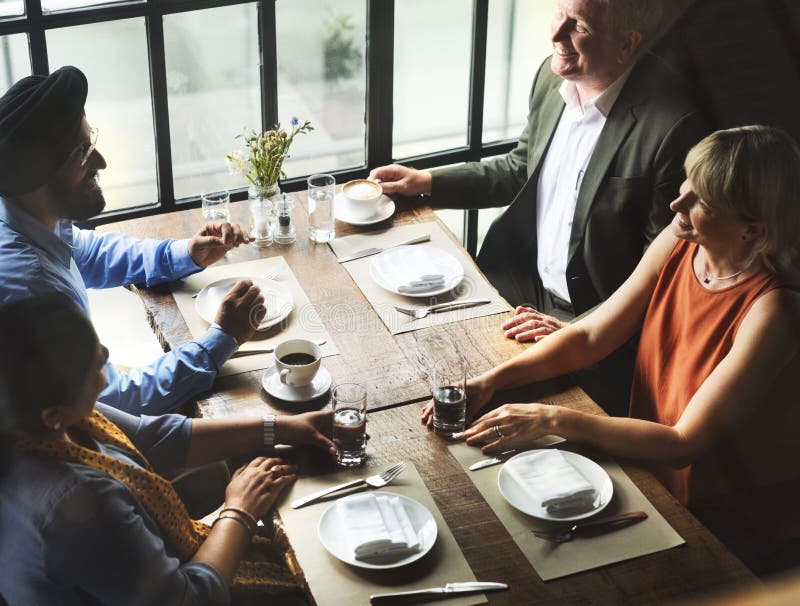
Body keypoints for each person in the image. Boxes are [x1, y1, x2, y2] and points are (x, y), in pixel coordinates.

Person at [437, 126, 800, 576]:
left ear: (752, 229)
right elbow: (593, 335)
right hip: (648, 460)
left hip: (730, 513)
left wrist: (550, 417)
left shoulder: (775, 310)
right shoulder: (681, 239)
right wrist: (491, 380)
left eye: (700, 200)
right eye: (686, 184)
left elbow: (684, 444)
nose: (676, 204)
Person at [371, 0, 709, 415]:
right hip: (516, 284)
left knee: (491, 426)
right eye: (559, 14)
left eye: (578, 25)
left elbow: (663, 270)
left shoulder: (674, 125)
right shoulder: (553, 78)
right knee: (406, 359)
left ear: (627, 42)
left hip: (591, 324)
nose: (556, 34)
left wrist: (576, 330)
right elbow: (521, 168)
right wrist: (427, 182)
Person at [0, 293, 336, 604]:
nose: (104, 354)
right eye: (93, 368)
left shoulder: (36, 416)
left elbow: (155, 437)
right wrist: (240, 511)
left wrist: (278, 428)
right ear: (54, 415)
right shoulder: (74, 507)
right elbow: (189, 599)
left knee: (219, 474)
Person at [0, 65, 263, 415]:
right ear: (37, 176)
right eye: (82, 153)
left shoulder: (26, 217)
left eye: (91, 142)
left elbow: (90, 254)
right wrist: (223, 338)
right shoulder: (32, 289)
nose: (101, 161)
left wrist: (186, 253)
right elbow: (114, 400)